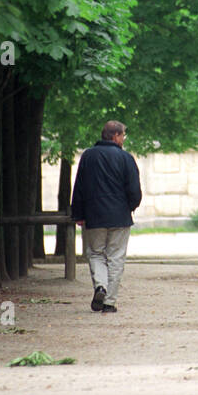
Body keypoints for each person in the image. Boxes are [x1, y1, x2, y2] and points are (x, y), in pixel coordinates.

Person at [70, 120, 142, 314]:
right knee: (116, 257)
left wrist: (78, 213)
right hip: (119, 216)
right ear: (115, 136)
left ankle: (100, 286)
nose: (124, 139)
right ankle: (110, 302)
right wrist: (131, 206)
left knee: (95, 253)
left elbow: (79, 187)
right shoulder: (126, 158)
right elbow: (134, 190)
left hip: (94, 216)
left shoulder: (88, 156)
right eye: (123, 135)